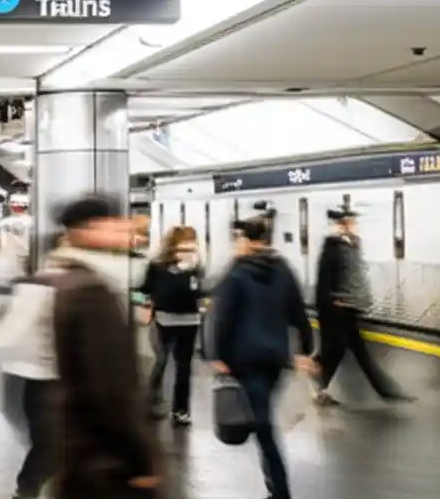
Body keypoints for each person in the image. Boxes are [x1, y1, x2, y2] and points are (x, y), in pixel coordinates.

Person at [44, 196, 159, 499]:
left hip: (82, 450)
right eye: (113, 221)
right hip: (105, 461)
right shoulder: (92, 293)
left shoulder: (72, 281)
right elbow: (112, 387)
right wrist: (140, 460)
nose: (124, 227)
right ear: (88, 230)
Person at [208, 215, 316, 499]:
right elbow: (299, 313)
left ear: (244, 239)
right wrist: (306, 348)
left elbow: (223, 317)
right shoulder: (283, 269)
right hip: (276, 360)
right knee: (263, 421)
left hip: (245, 360)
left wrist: (217, 355)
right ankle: (276, 489)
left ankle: (280, 492)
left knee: (264, 428)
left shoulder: (237, 272)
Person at [0, 242, 60, 499]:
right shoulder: (40, 288)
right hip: (35, 374)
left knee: (44, 438)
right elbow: (14, 330)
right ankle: (29, 486)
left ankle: (31, 484)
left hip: (31, 374)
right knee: (46, 439)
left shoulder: (33, 286)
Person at [313, 208, 412, 406]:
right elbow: (325, 280)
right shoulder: (331, 246)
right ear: (342, 224)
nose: (354, 225)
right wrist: (331, 303)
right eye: (351, 222)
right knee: (337, 351)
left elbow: (357, 277)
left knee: (356, 352)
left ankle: (387, 391)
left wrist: (363, 301)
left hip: (350, 308)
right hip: (335, 310)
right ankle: (319, 386)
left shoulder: (353, 245)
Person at [138, 225, 204, 426]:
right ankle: (152, 401)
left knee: (184, 367)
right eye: (186, 243)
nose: (191, 247)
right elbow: (146, 289)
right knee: (161, 361)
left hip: (190, 320)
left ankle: (181, 410)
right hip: (164, 320)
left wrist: (193, 276)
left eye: (193, 243)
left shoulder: (196, 267)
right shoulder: (158, 267)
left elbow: (198, 294)